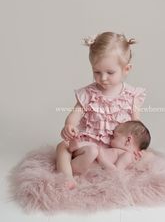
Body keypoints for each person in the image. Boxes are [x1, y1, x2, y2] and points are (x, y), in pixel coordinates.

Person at [56, 31, 147, 189]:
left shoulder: (132, 96)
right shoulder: (88, 94)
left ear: (126, 69)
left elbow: (136, 127)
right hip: (89, 144)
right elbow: (74, 115)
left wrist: (136, 148)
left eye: (110, 73)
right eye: (97, 72)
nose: (103, 78)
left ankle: (90, 168)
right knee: (63, 146)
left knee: (144, 156)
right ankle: (67, 176)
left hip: (113, 150)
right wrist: (69, 126)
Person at [69, 120, 151, 171]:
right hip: (86, 159)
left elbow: (116, 172)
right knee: (93, 148)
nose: (110, 138)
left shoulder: (127, 156)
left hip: (91, 165)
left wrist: (101, 159)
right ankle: (77, 146)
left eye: (114, 136)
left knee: (93, 150)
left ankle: (76, 154)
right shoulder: (120, 151)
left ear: (128, 140)